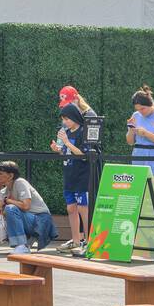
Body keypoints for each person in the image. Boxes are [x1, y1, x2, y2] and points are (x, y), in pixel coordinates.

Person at [52, 103, 92, 255]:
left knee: (83, 208)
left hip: (82, 175)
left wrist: (67, 142)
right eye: (63, 119)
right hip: (69, 174)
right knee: (71, 208)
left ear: (75, 117)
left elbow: (83, 154)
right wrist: (58, 148)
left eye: (67, 119)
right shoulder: (66, 132)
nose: (65, 122)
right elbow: (65, 152)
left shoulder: (83, 132)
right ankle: (75, 240)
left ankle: (88, 242)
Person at [0, 161, 55, 255]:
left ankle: (22, 245)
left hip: (40, 220)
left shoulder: (20, 182)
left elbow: (26, 206)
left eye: (0, 173)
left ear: (10, 176)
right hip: (27, 219)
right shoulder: (3, 192)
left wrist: (8, 201)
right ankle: (24, 244)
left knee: (10, 209)